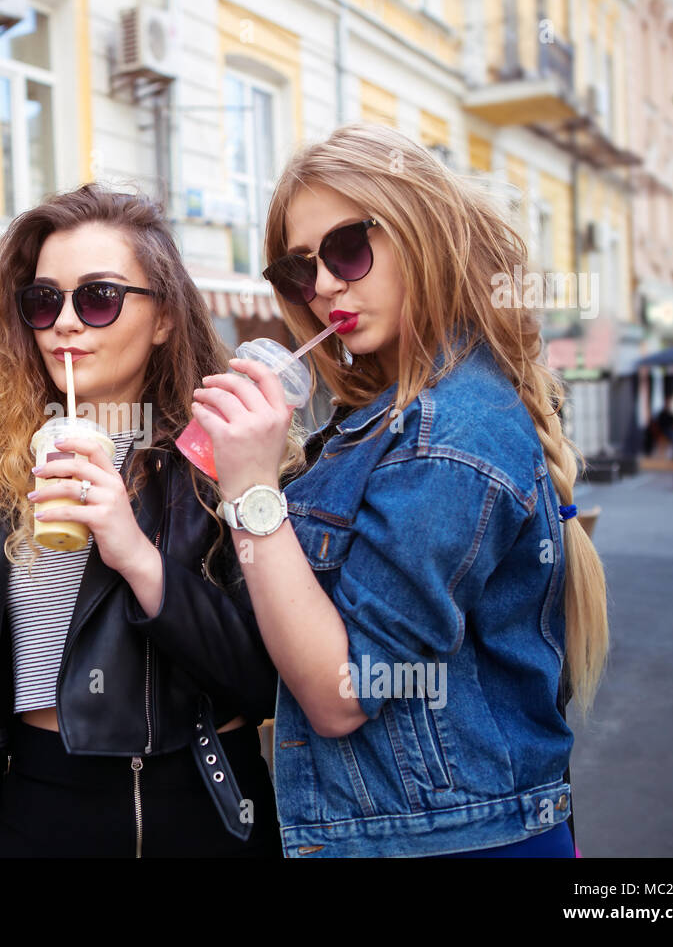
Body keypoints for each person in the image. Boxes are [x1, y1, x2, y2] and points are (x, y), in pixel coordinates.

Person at [189, 122, 610, 857]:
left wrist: (254, 491)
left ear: (423, 232)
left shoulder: (446, 432)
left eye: (347, 248)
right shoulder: (384, 419)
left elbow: (340, 696)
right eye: (298, 269)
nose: (322, 285)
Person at [0, 184, 301, 857]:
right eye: (43, 300)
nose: (66, 322)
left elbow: (263, 681)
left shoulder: (223, 458)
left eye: (98, 297)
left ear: (165, 317)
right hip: (36, 803)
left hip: (199, 805)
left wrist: (137, 555)